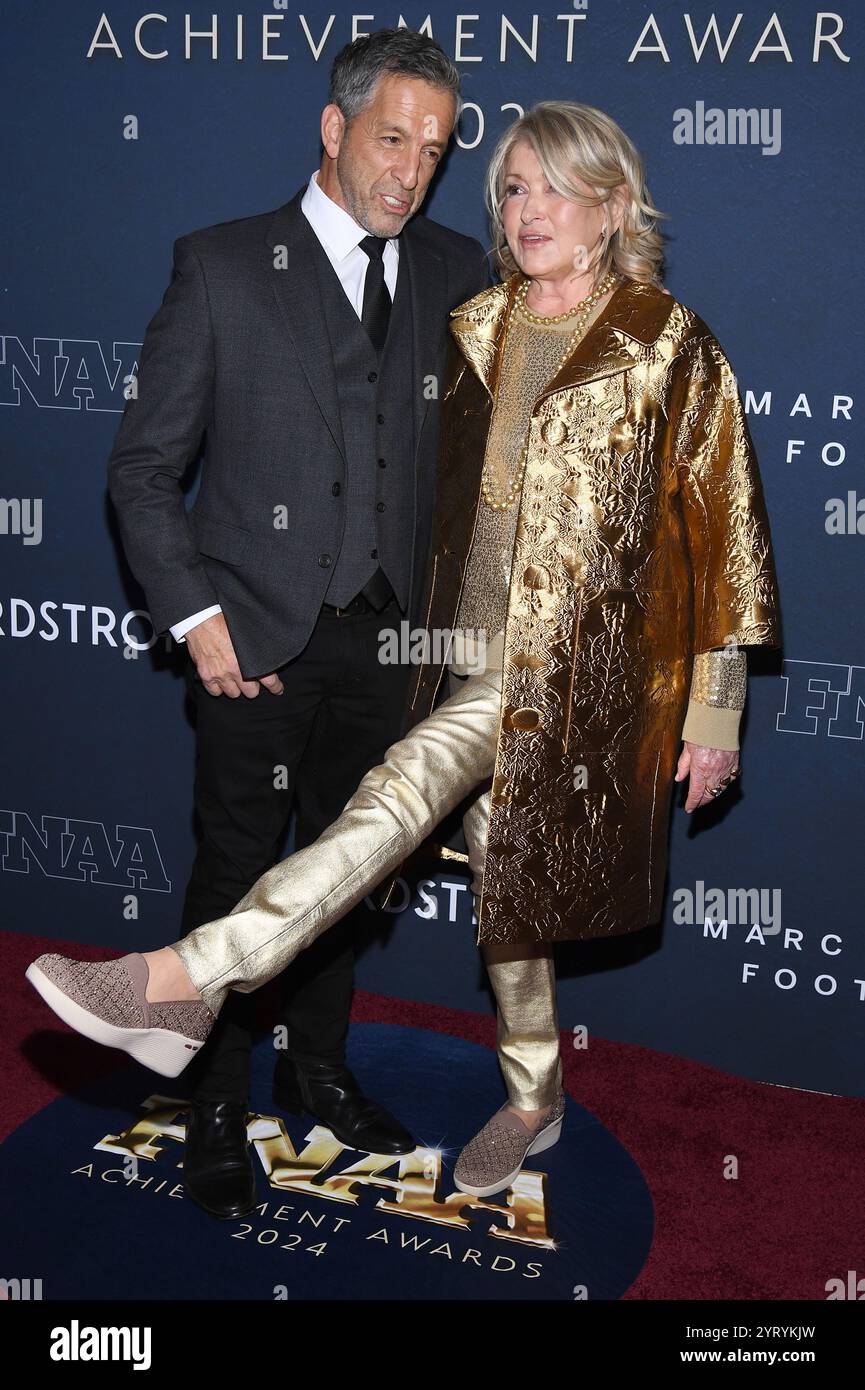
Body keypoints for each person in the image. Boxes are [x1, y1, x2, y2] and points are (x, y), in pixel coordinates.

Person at [28, 100, 781, 1200]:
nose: (529, 212)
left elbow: (725, 544)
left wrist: (714, 718)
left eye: (558, 191)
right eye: (513, 188)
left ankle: (185, 976)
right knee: (511, 905)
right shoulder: (474, 328)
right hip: (458, 651)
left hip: (582, 673)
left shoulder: (667, 342)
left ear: (612, 208)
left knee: (392, 792)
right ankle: (535, 1096)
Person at [100, 27, 488, 1218]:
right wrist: (198, 612)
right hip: (256, 644)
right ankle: (213, 1099)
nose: (409, 169)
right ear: (333, 128)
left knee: (348, 879)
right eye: (390, 138)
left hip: (393, 646)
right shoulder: (219, 266)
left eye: (432, 147)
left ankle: (318, 1069)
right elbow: (142, 471)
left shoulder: (456, 268)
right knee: (235, 875)